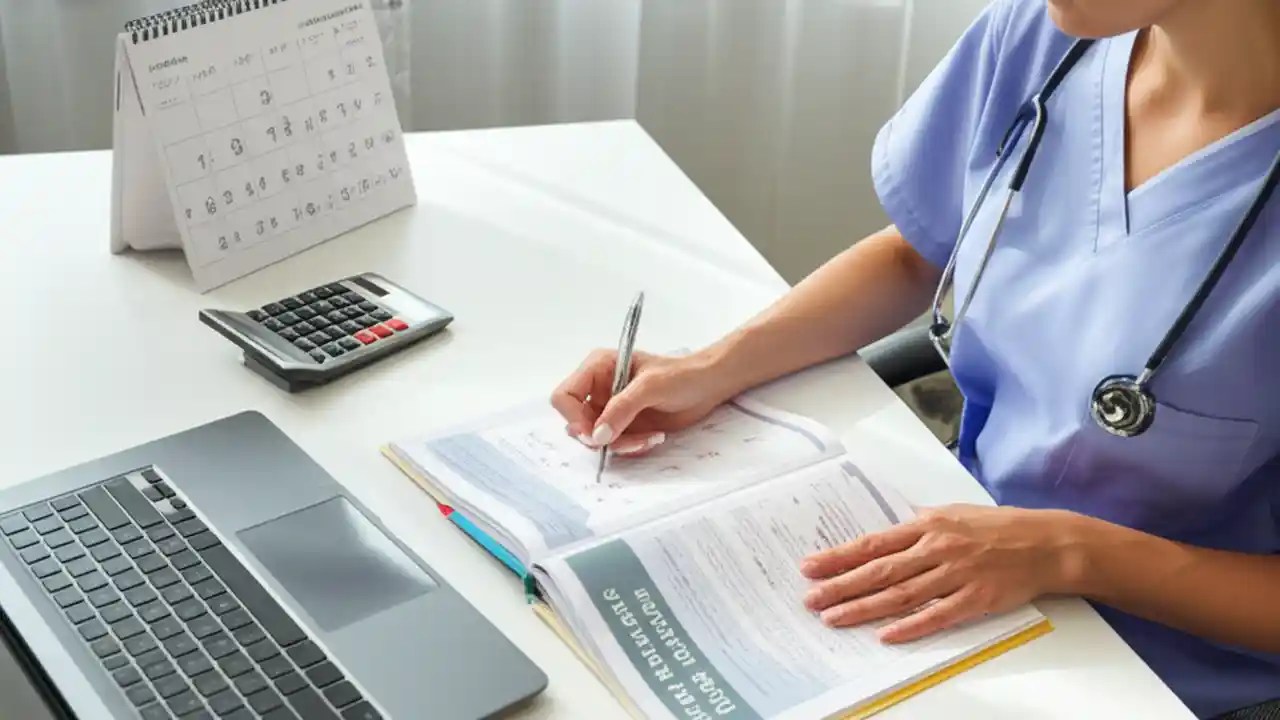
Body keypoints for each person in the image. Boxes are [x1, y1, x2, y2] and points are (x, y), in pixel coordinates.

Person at [549, 0, 1280, 717]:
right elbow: (916, 253)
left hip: (1159, 672)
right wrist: (715, 366)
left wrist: (1070, 552)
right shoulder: (1038, 34)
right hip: (956, 555)